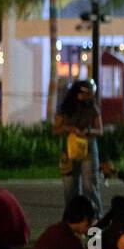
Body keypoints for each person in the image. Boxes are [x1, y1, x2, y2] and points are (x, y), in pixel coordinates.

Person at [53, 79, 104, 217]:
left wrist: (88, 131)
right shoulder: (66, 108)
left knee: (90, 185)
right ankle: (73, 219)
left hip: (88, 147)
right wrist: (70, 128)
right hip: (69, 149)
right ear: (77, 93)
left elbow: (100, 131)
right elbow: (55, 130)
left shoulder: (92, 108)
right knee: (70, 187)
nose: (89, 97)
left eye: (91, 94)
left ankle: (95, 218)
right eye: (86, 94)